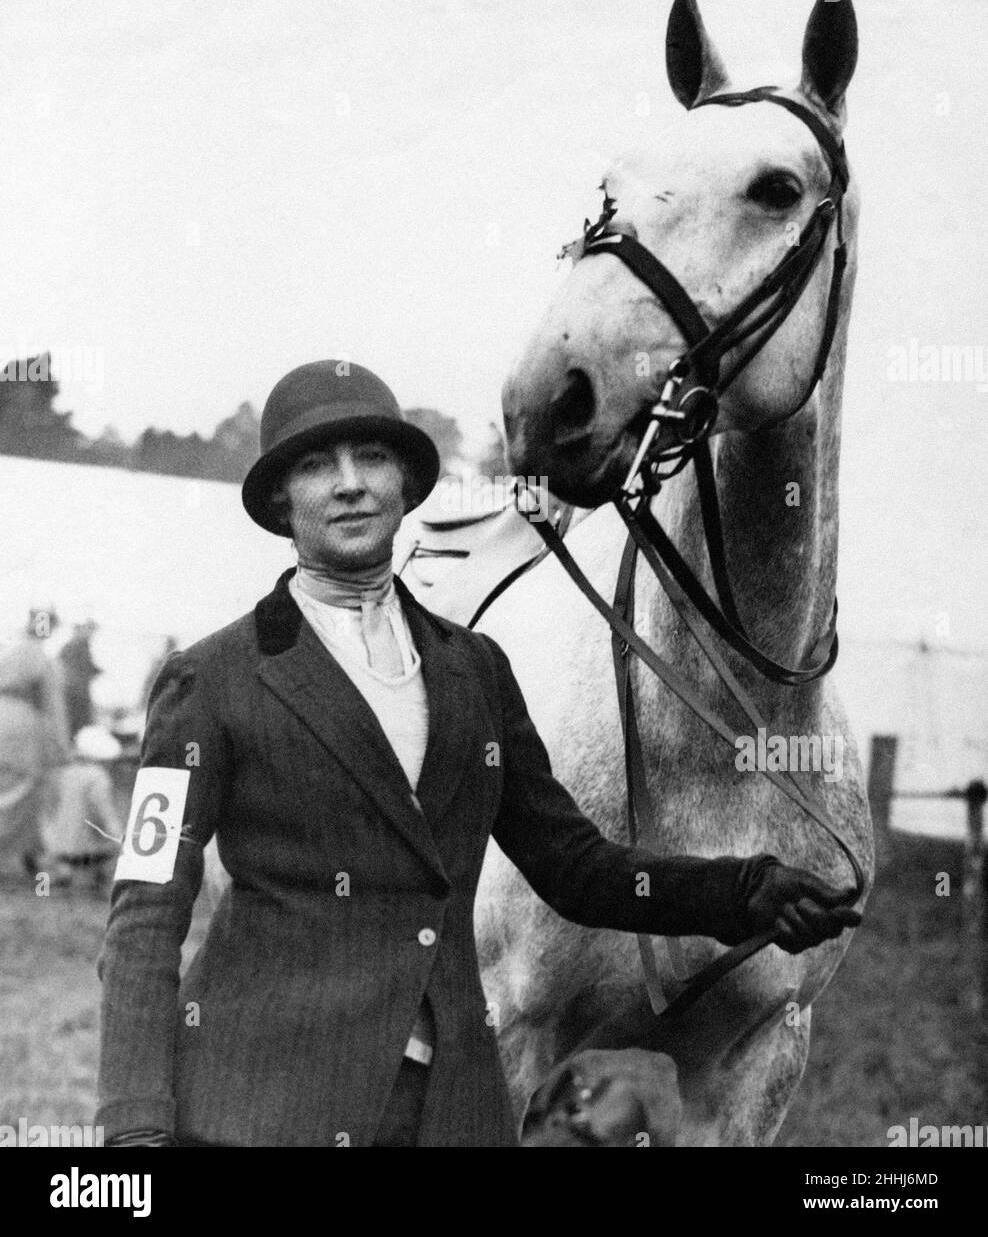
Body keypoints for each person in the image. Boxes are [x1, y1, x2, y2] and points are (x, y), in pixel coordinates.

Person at [96, 360, 861, 1148]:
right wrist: (133, 1129)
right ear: (280, 502)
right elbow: (146, 915)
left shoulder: (477, 671)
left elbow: (576, 868)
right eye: (316, 465)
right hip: (255, 1111)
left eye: (373, 459)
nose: (350, 484)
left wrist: (746, 892)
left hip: (447, 1115)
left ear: (408, 486)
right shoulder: (209, 680)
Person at [0, 607, 71, 879]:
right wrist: (62, 747)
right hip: (22, 730)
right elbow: (54, 708)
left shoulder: (9, 650)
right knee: (24, 797)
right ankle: (39, 862)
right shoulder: (42, 659)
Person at [41, 723, 124, 891]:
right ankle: (95, 878)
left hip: (57, 849)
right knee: (117, 853)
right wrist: (123, 844)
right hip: (86, 850)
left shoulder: (62, 773)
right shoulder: (97, 777)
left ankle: (63, 870)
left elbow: (47, 813)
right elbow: (106, 816)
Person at [58, 620, 102, 738]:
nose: (91, 634)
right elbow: (83, 666)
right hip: (76, 691)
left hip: (72, 690)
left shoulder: (70, 646)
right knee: (80, 720)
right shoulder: (78, 645)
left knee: (76, 721)